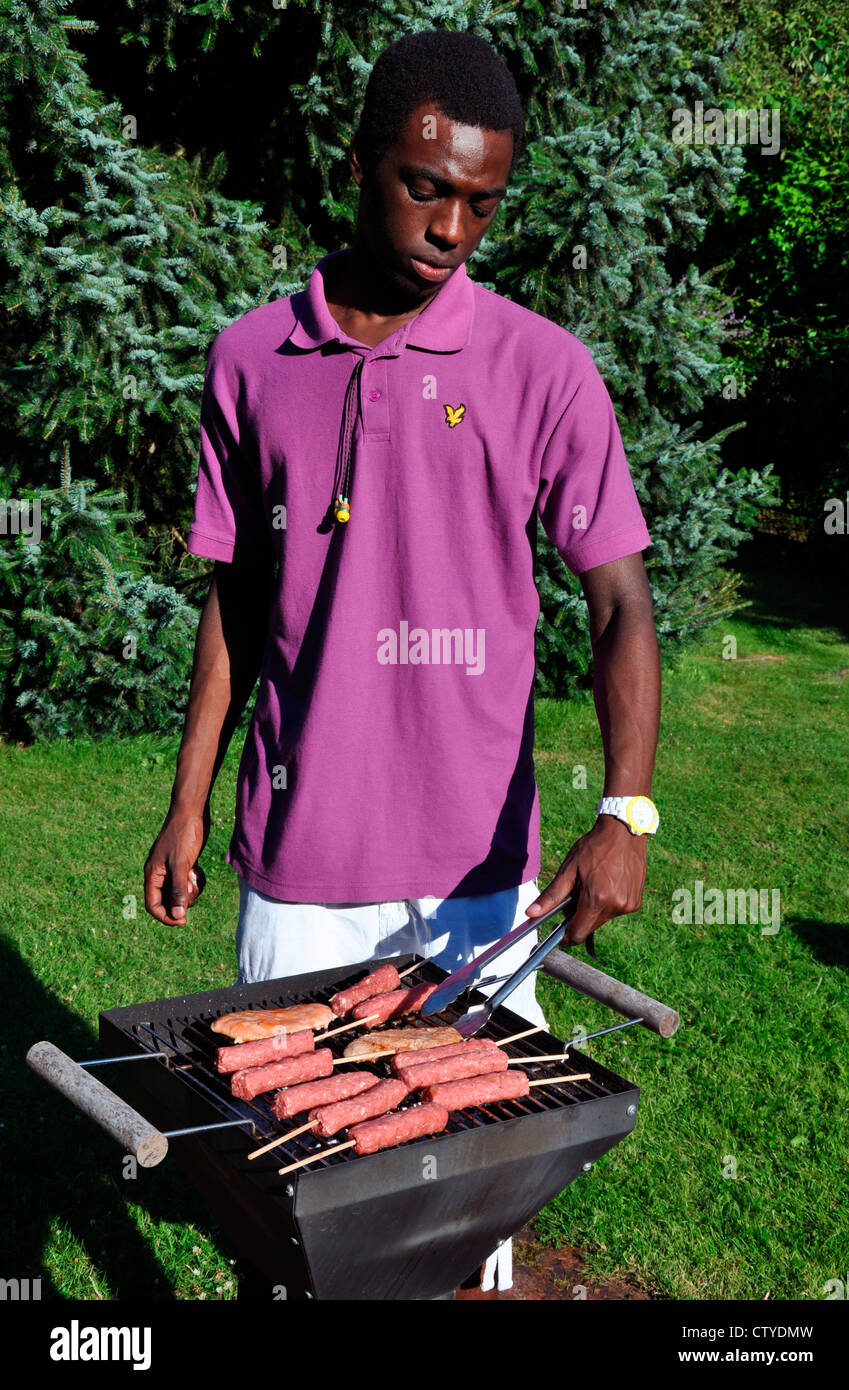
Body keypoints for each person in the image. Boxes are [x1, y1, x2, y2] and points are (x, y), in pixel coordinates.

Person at [144, 29, 661, 1298]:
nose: (451, 228)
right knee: (302, 1213)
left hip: (473, 878)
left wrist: (624, 807)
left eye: (481, 202)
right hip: (301, 857)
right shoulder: (250, 358)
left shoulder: (540, 369)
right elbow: (236, 597)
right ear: (363, 159)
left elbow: (619, 602)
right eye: (425, 186)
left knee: (465, 1220)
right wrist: (186, 796)